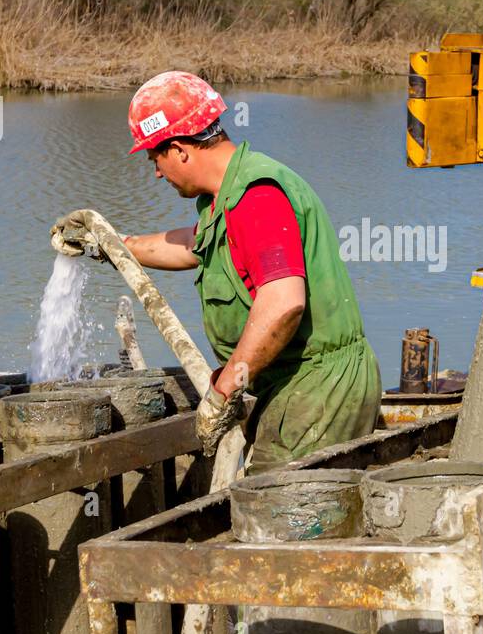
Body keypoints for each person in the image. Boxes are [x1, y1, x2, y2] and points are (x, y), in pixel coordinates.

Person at [53, 71, 381, 473]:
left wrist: (225, 388)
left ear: (179, 150)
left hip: (316, 391)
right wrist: (112, 243)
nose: (157, 172)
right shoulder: (225, 198)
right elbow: (196, 245)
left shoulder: (256, 197)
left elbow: (283, 303)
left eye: (155, 159)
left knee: (275, 519)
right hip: (295, 384)